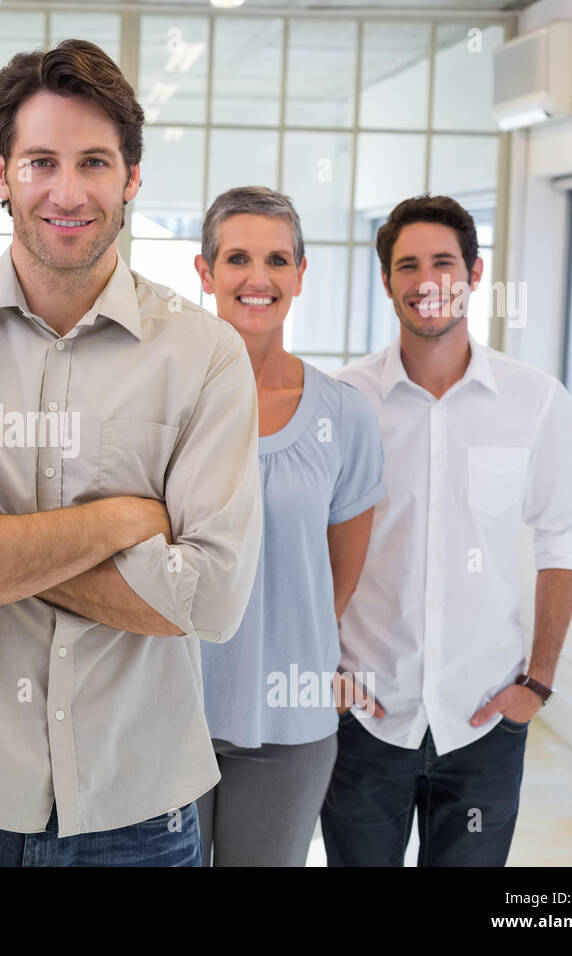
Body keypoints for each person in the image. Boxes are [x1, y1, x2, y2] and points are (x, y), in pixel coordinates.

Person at [0, 39, 262, 867]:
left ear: (131, 178)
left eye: (94, 162)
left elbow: (209, 600)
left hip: (137, 806)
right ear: (1, 172)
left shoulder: (206, 354)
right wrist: (120, 523)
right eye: (40, 161)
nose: (67, 192)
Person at [321, 194, 572, 867]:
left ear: (474, 273)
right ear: (387, 282)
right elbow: (306, 547)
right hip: (367, 723)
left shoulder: (535, 401)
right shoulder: (346, 402)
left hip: (484, 728)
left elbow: (560, 540)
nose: (426, 280)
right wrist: (323, 670)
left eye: (443, 261)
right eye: (408, 265)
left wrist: (539, 683)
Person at [191, 186, 386, 867]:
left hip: (290, 719)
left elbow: (338, 575)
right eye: (238, 257)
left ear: (301, 274)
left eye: (278, 259)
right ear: (205, 272)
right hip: (170, 710)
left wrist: (287, 648)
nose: (258, 277)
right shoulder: (162, 404)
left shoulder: (346, 416)